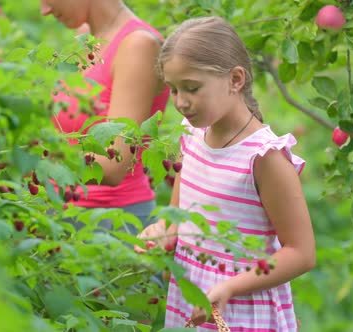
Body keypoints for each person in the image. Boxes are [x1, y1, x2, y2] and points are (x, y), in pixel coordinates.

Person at [135, 16, 316, 331]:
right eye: (173, 89)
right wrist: (162, 232)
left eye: (191, 88)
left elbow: (301, 253)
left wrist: (231, 286)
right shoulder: (191, 135)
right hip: (191, 303)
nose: (180, 102)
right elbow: (179, 217)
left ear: (235, 79)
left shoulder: (264, 157)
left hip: (242, 313)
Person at [39, 0, 170, 229]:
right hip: (61, 215)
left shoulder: (137, 46)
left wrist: (28, 163)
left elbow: (113, 165)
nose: (45, 10)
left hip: (110, 223)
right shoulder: (86, 35)